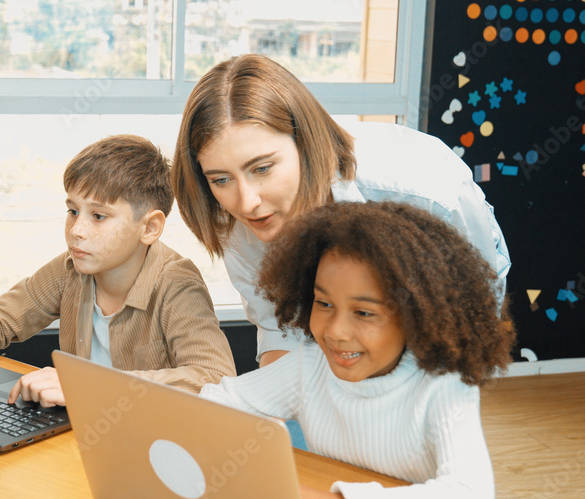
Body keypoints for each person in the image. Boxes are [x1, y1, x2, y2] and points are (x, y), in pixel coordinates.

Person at [172, 53, 510, 367]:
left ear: (304, 143)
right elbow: (281, 330)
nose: (246, 203)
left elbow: (471, 317)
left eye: (262, 169)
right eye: (221, 179)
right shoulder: (234, 220)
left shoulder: (425, 191)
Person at [200, 201, 516, 498]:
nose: (335, 331)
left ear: (415, 317)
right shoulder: (309, 365)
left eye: (364, 313)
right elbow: (216, 402)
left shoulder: (444, 385)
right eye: (323, 304)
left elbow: (470, 490)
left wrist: (342, 495)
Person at [0, 135, 235, 407]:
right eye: (72, 211)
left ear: (150, 227)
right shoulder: (71, 267)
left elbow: (214, 378)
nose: (76, 231)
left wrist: (88, 385)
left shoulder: (177, 284)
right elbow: (0, 317)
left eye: (98, 216)